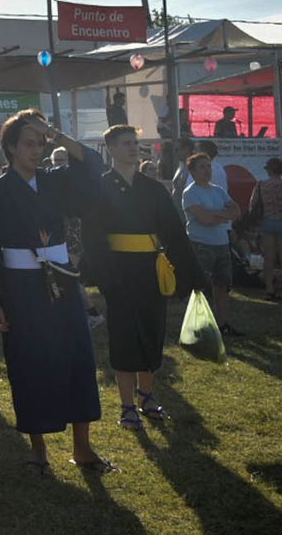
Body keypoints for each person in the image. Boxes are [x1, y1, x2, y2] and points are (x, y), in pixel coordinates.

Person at [0, 110, 114, 476]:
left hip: (63, 281)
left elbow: (93, 164)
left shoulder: (55, 182)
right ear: (10, 147)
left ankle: (82, 447)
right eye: (28, 143)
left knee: (78, 358)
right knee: (29, 364)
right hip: (20, 286)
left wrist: (56, 133)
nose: (36, 150)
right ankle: (37, 448)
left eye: (40, 143)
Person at [83, 126, 204, 432]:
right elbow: (93, 238)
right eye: (126, 143)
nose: (133, 148)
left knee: (152, 331)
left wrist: (192, 274)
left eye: (135, 143)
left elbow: (174, 233)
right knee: (124, 336)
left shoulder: (153, 188)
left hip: (151, 269)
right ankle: (126, 405)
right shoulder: (98, 187)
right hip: (118, 270)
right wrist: (106, 278)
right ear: (110, 147)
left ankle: (147, 396)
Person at [181, 152, 241, 336]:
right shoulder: (190, 192)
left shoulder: (218, 190)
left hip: (221, 244)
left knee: (222, 286)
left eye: (209, 166)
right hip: (201, 245)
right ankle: (199, 326)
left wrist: (216, 215)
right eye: (202, 167)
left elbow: (236, 210)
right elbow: (204, 219)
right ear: (192, 171)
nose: (207, 171)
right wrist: (223, 214)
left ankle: (222, 324)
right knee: (201, 288)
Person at [250, 158, 282, 301]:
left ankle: (269, 290)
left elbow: (252, 205)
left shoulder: (261, 184)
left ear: (268, 170)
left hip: (268, 222)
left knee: (269, 258)